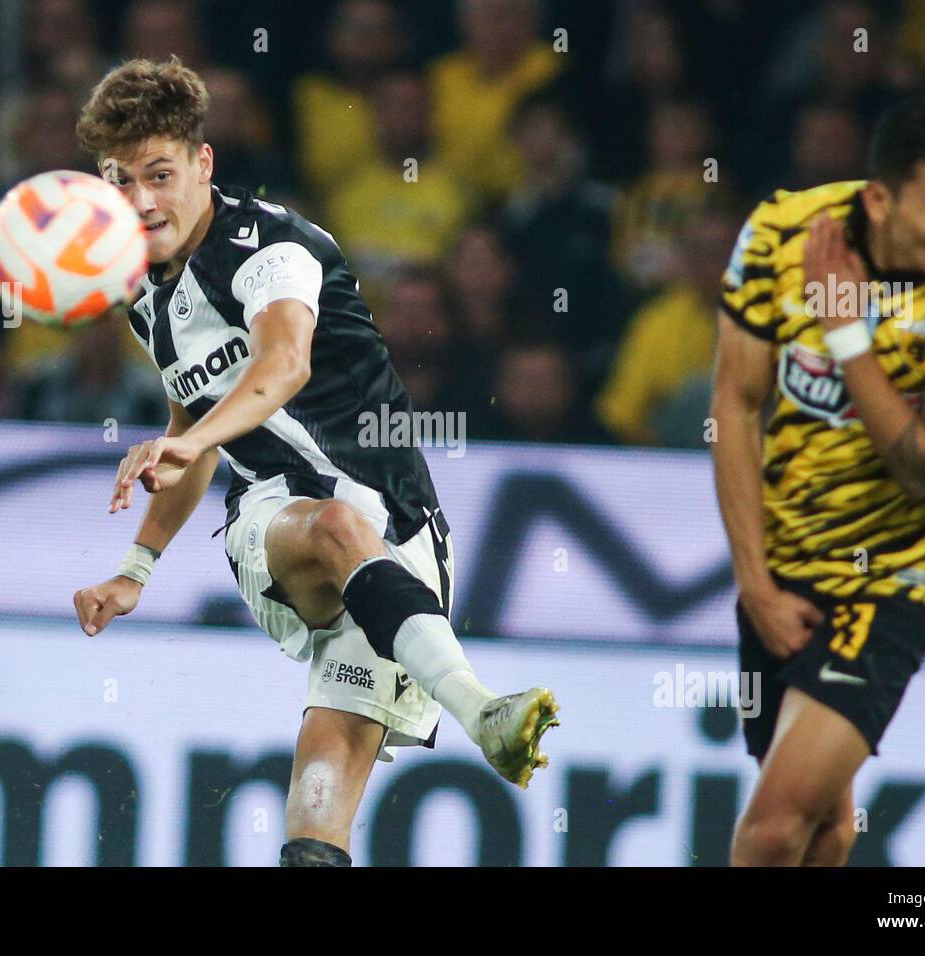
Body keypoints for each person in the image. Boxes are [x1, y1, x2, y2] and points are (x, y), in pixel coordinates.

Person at [68, 57, 559, 867]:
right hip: (279, 517)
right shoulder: (145, 296)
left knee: (315, 833)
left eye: (159, 174)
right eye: (120, 181)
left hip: (402, 549)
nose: (142, 201)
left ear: (203, 163)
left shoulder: (273, 246)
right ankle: (481, 712)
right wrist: (136, 566)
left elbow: (283, 363)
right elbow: (193, 426)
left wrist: (189, 439)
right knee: (333, 523)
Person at [711, 94, 925, 866]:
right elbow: (735, 403)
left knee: (768, 835)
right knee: (822, 829)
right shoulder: (781, 234)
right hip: (785, 574)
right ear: (882, 198)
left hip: (896, 582)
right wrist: (755, 582)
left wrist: (847, 330)